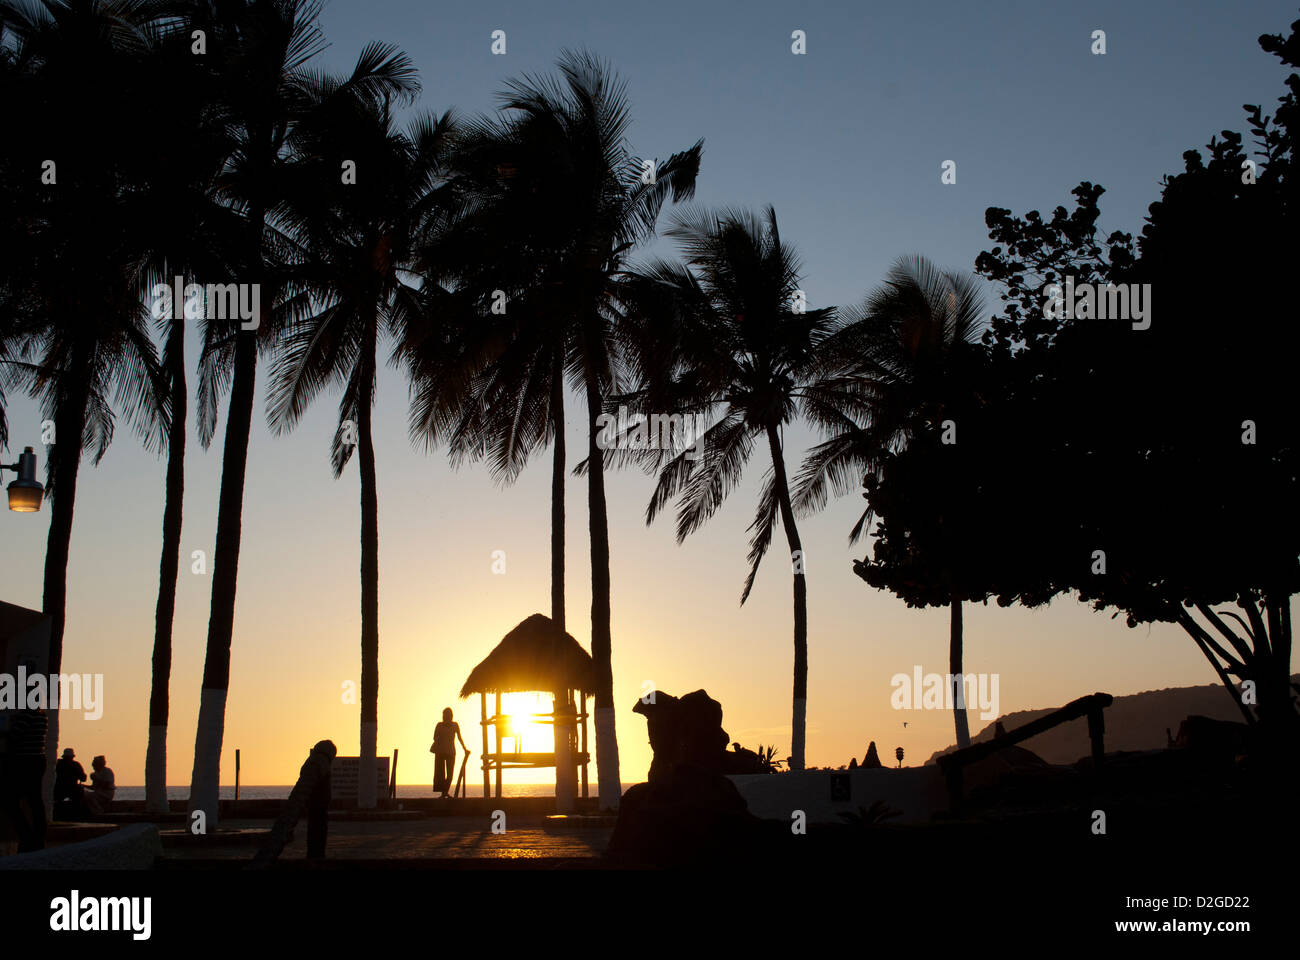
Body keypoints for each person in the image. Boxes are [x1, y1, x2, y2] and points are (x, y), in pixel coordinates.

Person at [1, 704, 48, 851]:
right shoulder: (41, 714)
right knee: (35, 801)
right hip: (36, 760)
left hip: (24, 762)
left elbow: (14, 736)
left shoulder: (27, 714)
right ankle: (36, 839)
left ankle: (27, 836)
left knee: (10, 801)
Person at [431, 707, 468, 798]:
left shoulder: (455, 725)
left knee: (450, 775)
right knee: (441, 774)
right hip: (441, 752)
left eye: (448, 715)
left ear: (451, 716)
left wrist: (464, 748)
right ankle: (444, 793)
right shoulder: (439, 725)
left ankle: (445, 792)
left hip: (451, 752)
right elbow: (434, 737)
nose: (446, 717)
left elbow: (459, 737)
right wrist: (438, 738)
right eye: (444, 715)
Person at [54, 747, 87, 817]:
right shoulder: (75, 765)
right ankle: (77, 813)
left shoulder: (58, 763)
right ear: (72, 757)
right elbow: (83, 778)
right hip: (72, 788)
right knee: (79, 794)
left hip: (59, 788)